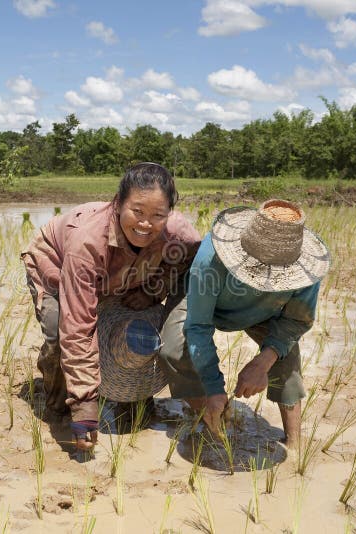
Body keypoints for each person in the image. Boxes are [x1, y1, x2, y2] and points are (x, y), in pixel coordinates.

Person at [21, 162, 201, 452]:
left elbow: (187, 257)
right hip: (56, 264)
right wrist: (83, 405)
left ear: (169, 213)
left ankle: (133, 397)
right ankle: (57, 389)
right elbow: (78, 326)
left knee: (132, 325)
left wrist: (153, 290)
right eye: (137, 212)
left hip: (123, 273)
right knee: (58, 332)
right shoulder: (88, 242)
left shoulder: (177, 232)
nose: (145, 224)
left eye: (157, 215)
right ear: (118, 204)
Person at [158, 199, 331, 448]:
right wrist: (214, 387)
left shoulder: (306, 270)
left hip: (263, 311)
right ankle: (212, 417)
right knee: (173, 348)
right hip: (202, 301)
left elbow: (295, 321)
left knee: (286, 356)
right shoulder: (211, 258)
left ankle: (295, 443)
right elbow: (198, 326)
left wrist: (263, 362)